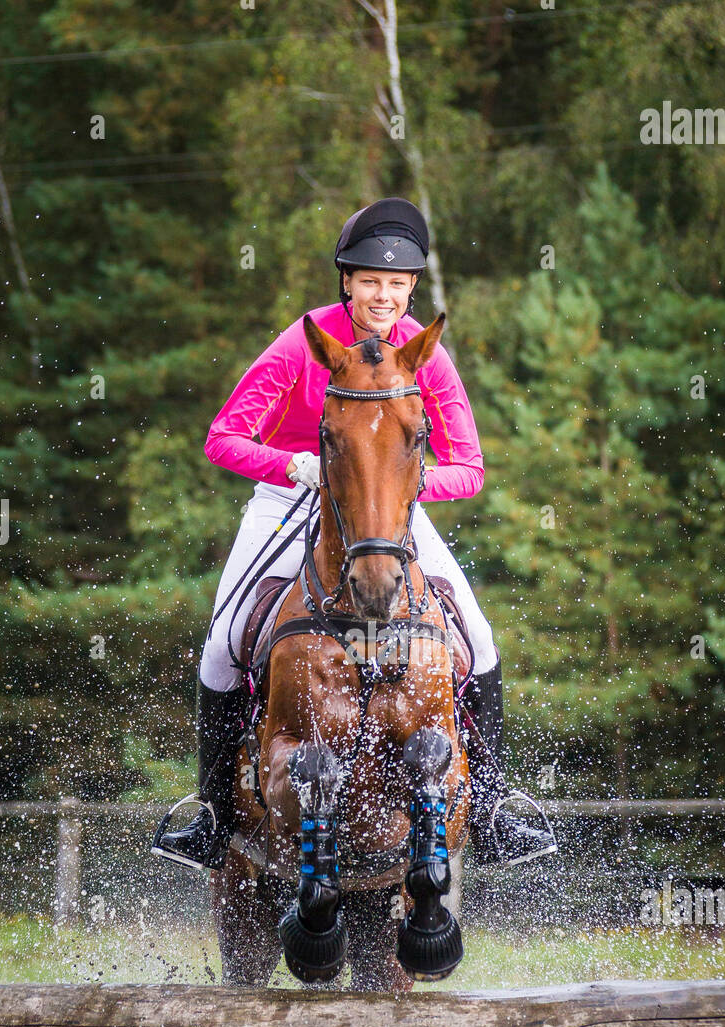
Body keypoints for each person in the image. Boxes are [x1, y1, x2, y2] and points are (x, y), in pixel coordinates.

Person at [152, 197, 555, 871]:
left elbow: (470, 469)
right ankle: (213, 815)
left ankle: (491, 810)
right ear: (347, 281)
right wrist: (293, 465)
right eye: (370, 281)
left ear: (412, 289)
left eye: (397, 284)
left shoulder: (426, 354)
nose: (383, 296)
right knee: (223, 644)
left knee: (479, 639)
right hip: (291, 496)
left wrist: (396, 486)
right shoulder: (304, 340)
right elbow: (222, 437)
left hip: (387, 513)